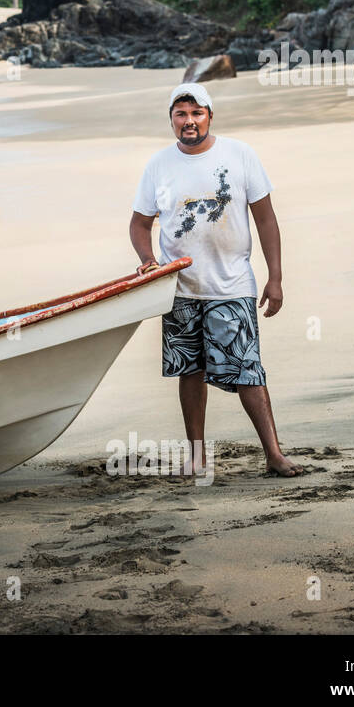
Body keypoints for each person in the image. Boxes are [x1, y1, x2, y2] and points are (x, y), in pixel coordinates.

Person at [129, 83, 305, 478]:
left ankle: (274, 454)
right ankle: (197, 457)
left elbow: (266, 219)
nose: (188, 121)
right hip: (179, 289)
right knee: (189, 372)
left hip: (232, 285)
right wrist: (148, 261)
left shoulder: (240, 155)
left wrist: (275, 278)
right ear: (171, 120)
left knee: (248, 370)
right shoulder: (158, 165)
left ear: (210, 115)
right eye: (181, 114)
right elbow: (139, 224)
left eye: (196, 113)